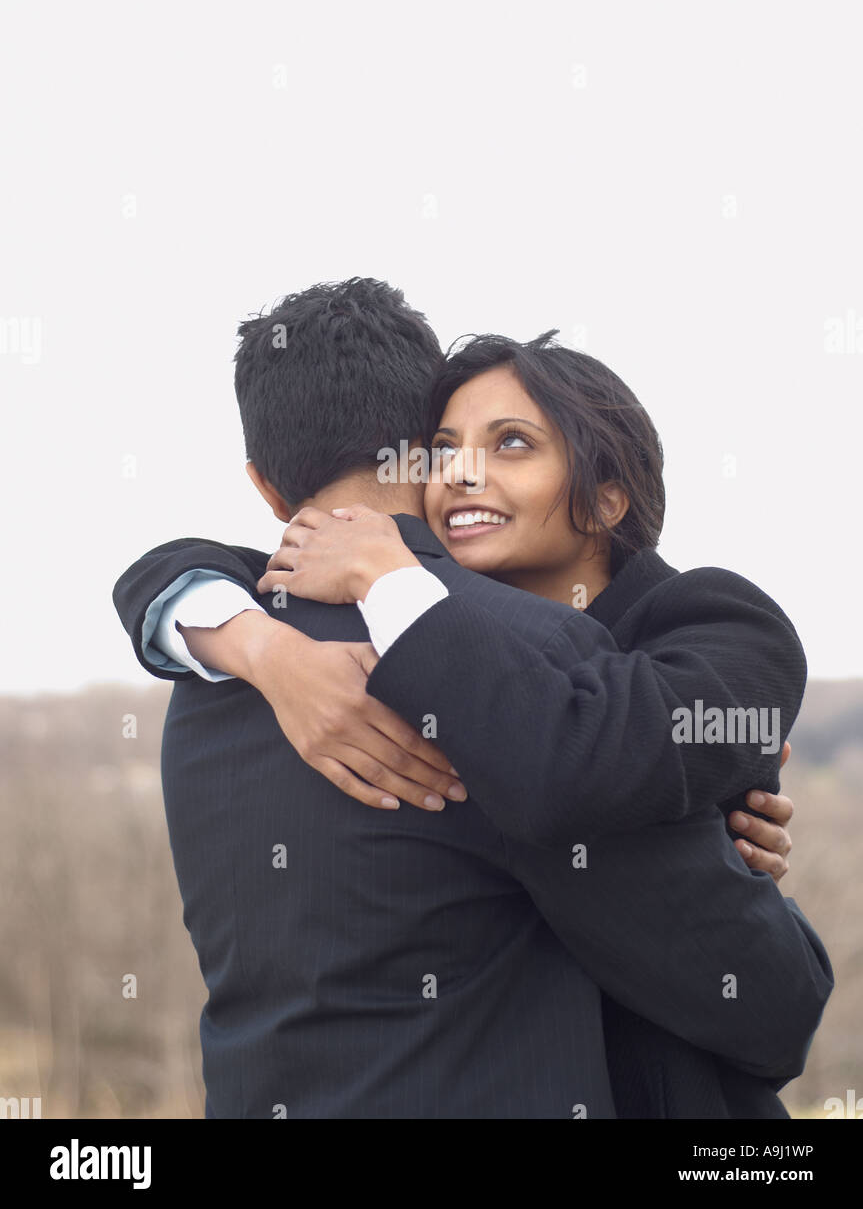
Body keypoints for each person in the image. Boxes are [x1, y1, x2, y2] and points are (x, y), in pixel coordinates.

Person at [114, 278, 831, 1118]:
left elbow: (590, 744)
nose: (465, 475)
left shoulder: (206, 695)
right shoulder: (252, 637)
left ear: (607, 495)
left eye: (513, 444)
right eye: (447, 447)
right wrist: (265, 647)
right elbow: (764, 1006)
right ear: (413, 460)